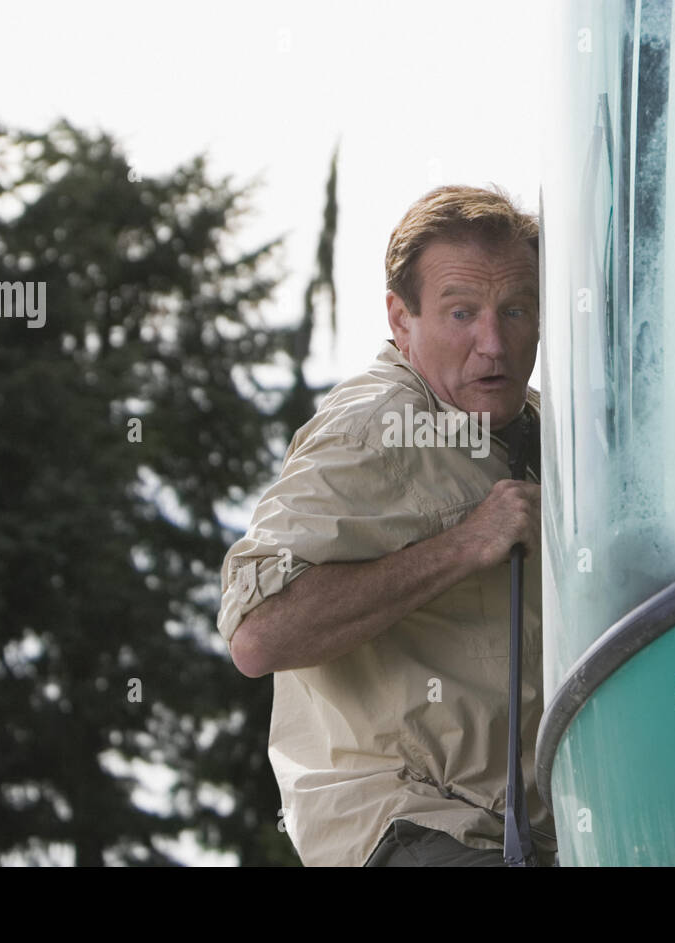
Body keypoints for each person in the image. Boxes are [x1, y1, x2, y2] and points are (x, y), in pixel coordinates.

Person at [218, 184, 556, 867]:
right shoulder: (373, 427)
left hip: (530, 837)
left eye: (515, 309)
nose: (493, 343)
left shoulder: (544, 428)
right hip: (415, 826)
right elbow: (258, 633)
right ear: (402, 320)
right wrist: (465, 544)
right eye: (461, 313)